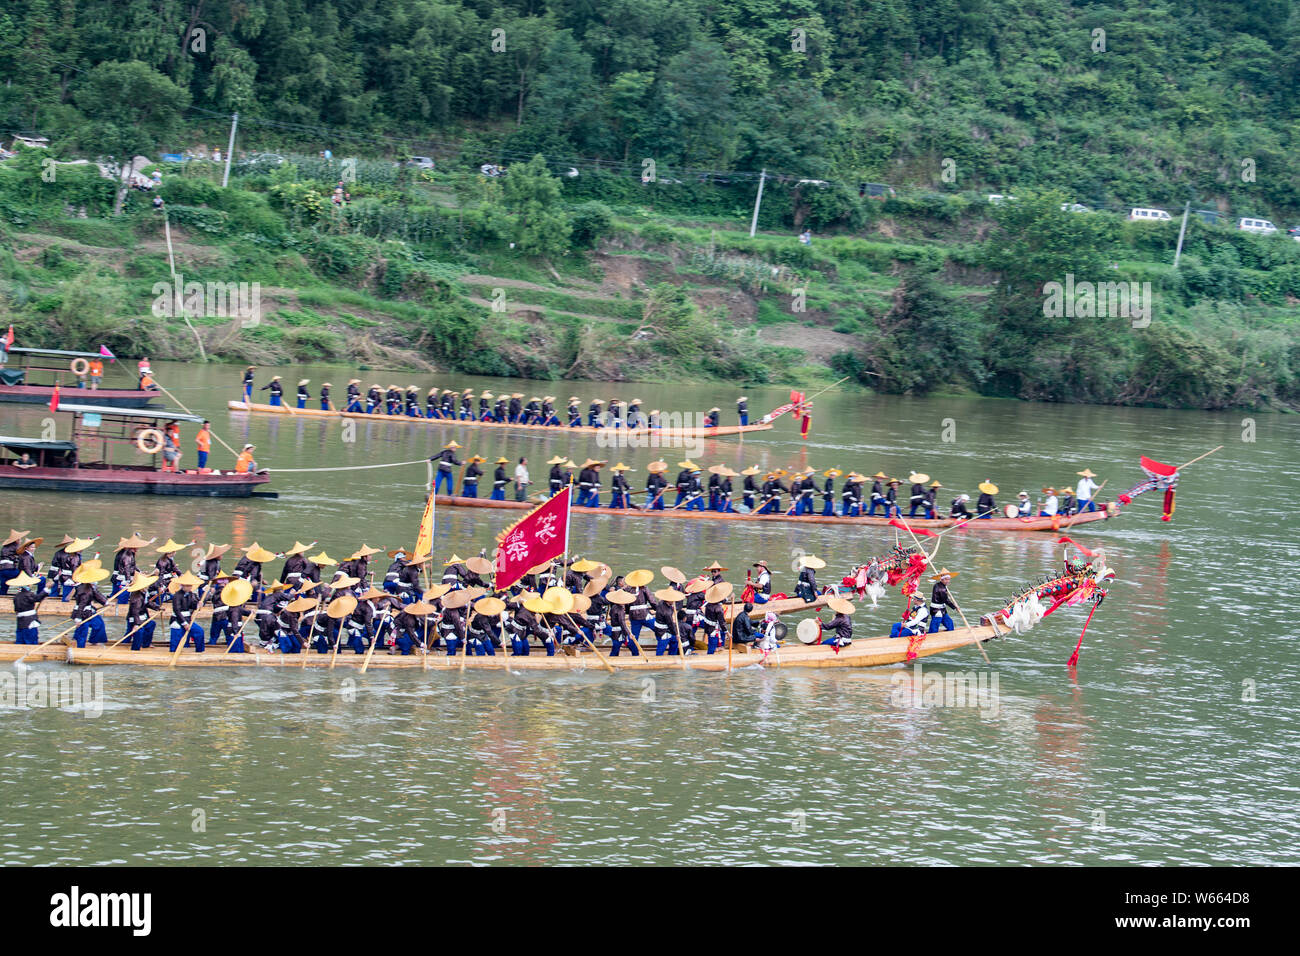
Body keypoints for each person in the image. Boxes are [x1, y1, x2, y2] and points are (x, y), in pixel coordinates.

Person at [10, 572, 44, 644]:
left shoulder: (17, 596)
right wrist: (46, 590)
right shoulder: (28, 595)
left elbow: (16, 610)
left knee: (20, 640)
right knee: (31, 640)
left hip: (20, 621)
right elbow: (38, 598)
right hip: (29, 621)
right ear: (28, 585)